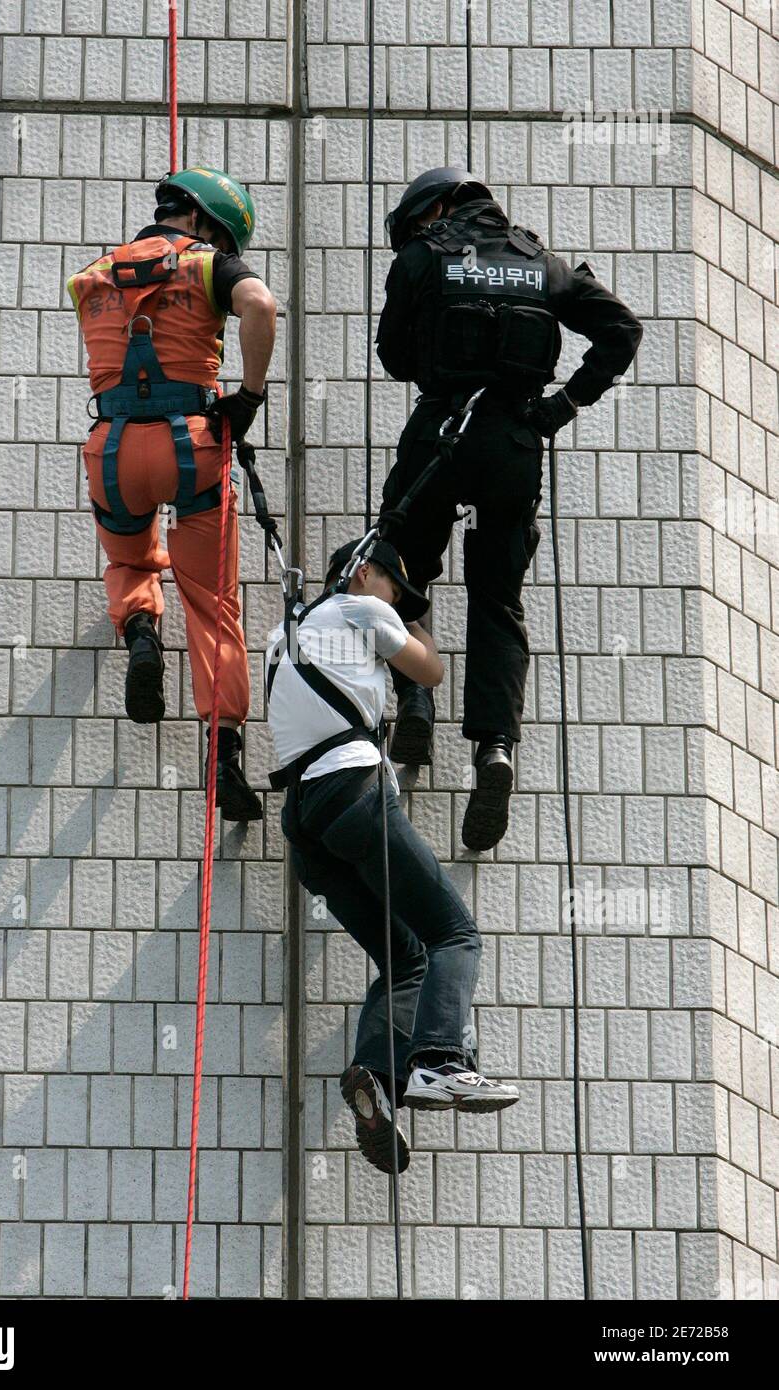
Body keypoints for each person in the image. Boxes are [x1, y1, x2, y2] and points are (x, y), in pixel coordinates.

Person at [377, 167, 643, 851]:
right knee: (497, 600)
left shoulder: (418, 259)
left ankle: (415, 698)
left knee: (401, 565)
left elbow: (395, 357)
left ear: (435, 210)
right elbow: (621, 330)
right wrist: (563, 406)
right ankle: (494, 751)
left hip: (441, 431)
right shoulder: (544, 265)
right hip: (515, 441)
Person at [266, 538, 520, 1174]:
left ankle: (373, 1077)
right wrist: (407, 630)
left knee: (405, 957)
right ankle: (439, 1062)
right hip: (355, 794)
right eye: (393, 588)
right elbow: (429, 672)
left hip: (305, 824)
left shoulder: (281, 638)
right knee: (455, 934)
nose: (398, 606)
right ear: (361, 572)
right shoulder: (359, 609)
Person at [67, 167, 277, 821]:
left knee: (131, 562)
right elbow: (262, 306)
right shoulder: (209, 265)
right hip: (193, 447)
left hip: (113, 451)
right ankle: (223, 754)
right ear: (206, 222)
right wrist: (249, 395)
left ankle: (142, 636)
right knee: (215, 606)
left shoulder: (91, 275)